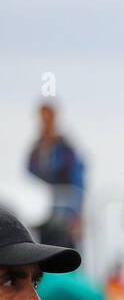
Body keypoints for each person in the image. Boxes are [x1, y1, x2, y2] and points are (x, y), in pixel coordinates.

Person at [26, 103, 86, 250]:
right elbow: (28, 179)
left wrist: (77, 215)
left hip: (64, 214)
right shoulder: (35, 150)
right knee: (44, 252)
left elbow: (78, 182)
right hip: (42, 214)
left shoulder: (66, 149)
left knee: (64, 252)